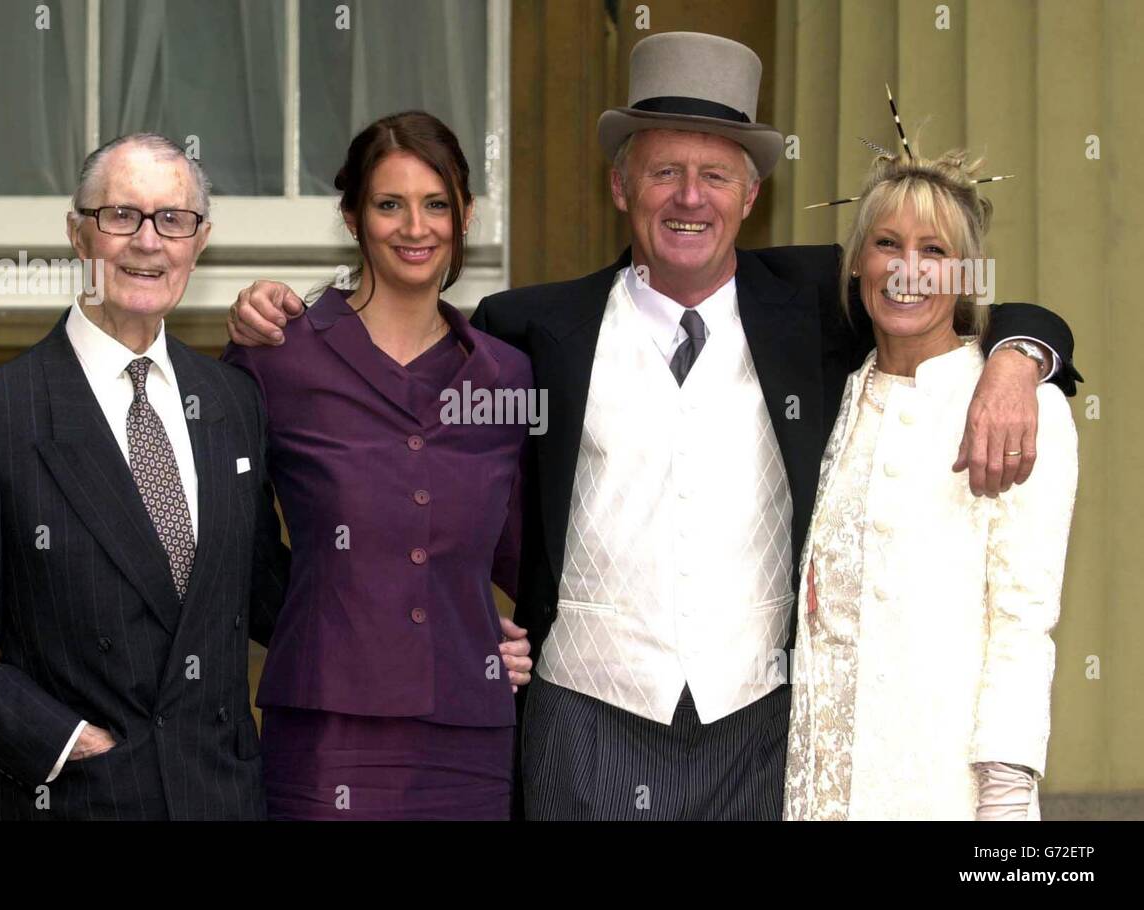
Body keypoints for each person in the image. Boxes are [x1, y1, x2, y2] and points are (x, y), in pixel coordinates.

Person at [226, 33, 1081, 820]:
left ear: (751, 195)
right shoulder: (526, 330)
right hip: (581, 722)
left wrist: (1022, 355)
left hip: (759, 730)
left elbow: (936, 292)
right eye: (665, 171)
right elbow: (409, 450)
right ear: (620, 185)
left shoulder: (816, 310)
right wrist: (288, 309)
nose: (688, 198)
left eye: (715, 177)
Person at [0, 133, 289, 819]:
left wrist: (448, 623)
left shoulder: (233, 402)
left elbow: (271, 595)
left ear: (200, 243)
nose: (149, 241)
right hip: (72, 800)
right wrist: (65, 743)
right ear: (79, 235)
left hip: (221, 797)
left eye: (174, 219)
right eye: (121, 216)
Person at [222, 111, 535, 820]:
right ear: (354, 218)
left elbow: (530, 555)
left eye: (436, 205)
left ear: (465, 218)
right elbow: (230, 539)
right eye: (389, 204)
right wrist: (319, 618)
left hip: (470, 737)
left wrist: (523, 636)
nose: (414, 228)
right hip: (327, 731)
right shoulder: (280, 353)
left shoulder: (506, 377)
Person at [783, 147, 1077, 820]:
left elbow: (1023, 619)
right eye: (888, 243)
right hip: (816, 783)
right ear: (858, 261)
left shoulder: (1017, 406)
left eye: (935, 250)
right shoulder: (832, 393)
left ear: (969, 274)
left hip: (943, 785)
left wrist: (1006, 789)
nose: (907, 268)